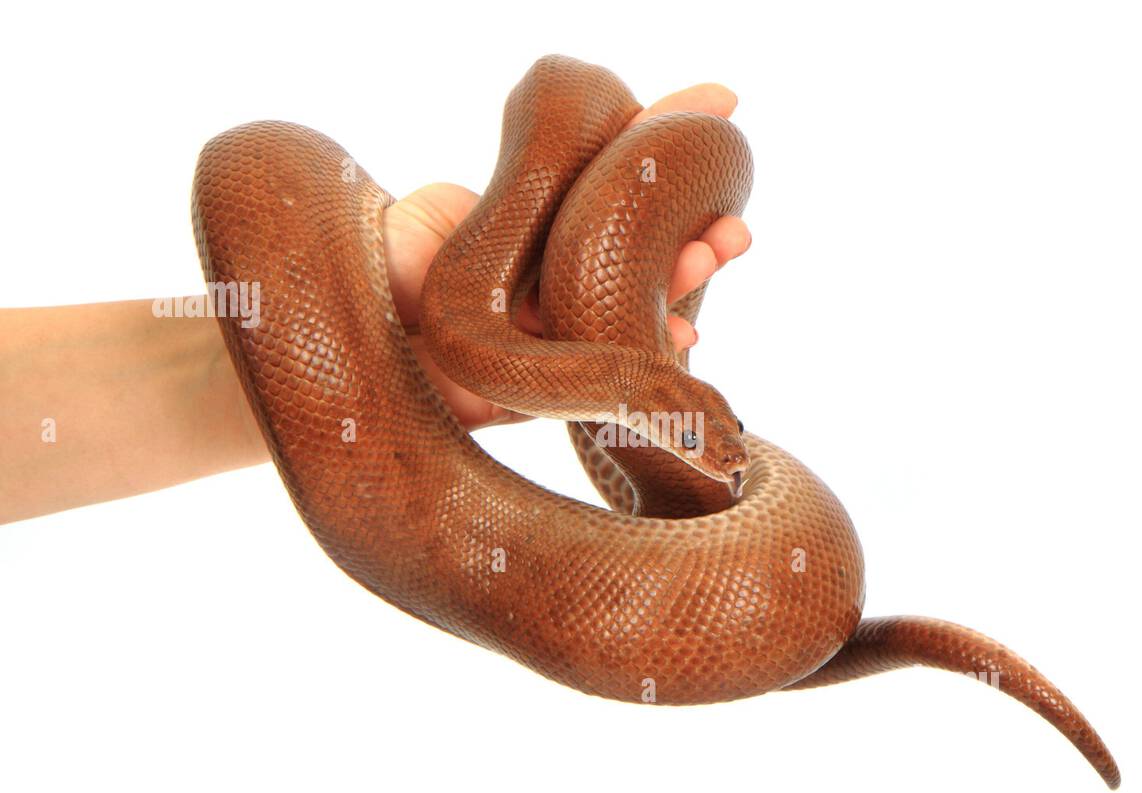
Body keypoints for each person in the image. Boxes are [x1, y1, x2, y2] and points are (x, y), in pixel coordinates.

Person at [0, 83, 751, 526]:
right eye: (692, 437)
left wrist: (280, 359)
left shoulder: (582, 368)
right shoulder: (567, 364)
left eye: (704, 440)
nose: (722, 458)